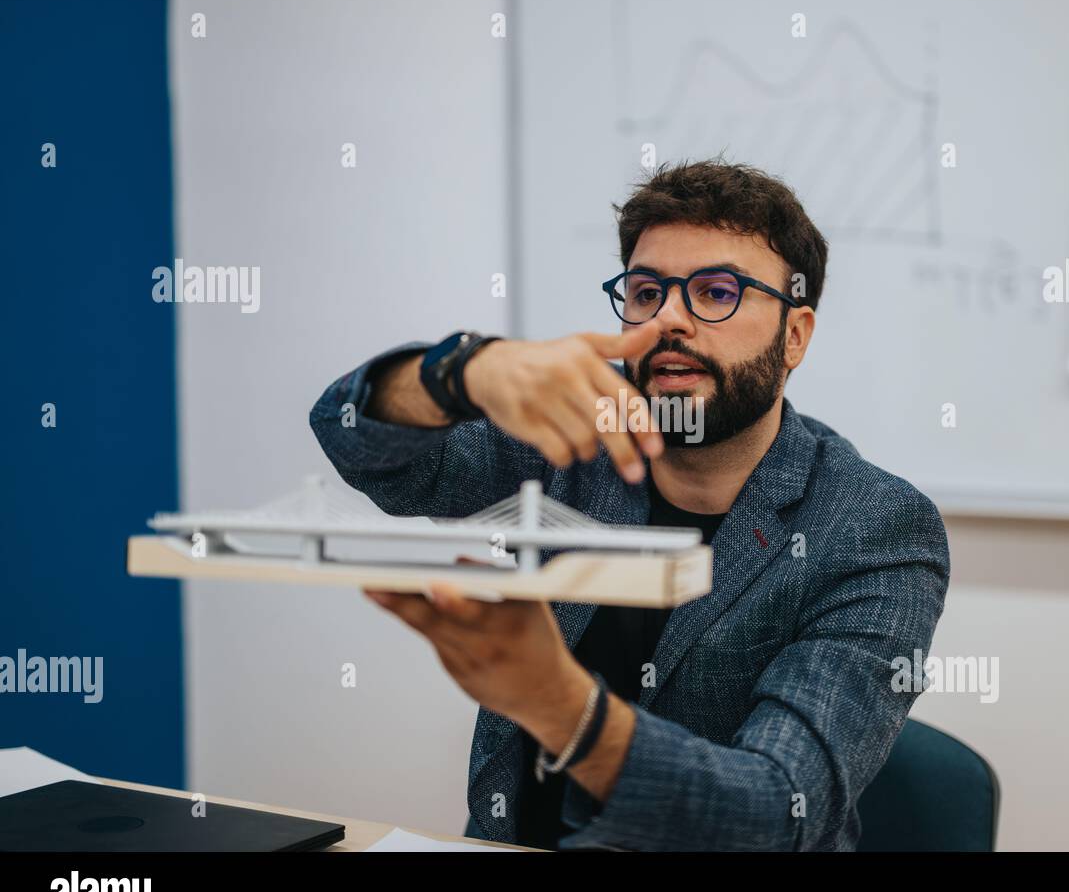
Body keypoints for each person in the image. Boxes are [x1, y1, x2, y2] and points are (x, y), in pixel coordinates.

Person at [309, 159, 949, 851]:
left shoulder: (872, 529)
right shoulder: (568, 438)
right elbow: (355, 439)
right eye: (646, 293)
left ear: (795, 334)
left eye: (716, 292)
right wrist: (462, 370)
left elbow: (776, 810)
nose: (669, 320)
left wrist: (562, 709)